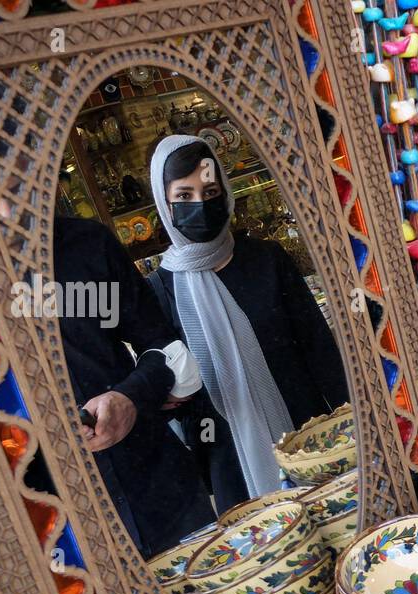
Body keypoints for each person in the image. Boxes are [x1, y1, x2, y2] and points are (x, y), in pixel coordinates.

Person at [146, 135, 350, 515]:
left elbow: (319, 351)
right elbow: (171, 396)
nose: (200, 205)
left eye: (209, 191)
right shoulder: (159, 293)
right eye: (184, 196)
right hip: (232, 465)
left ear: (225, 191)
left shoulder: (268, 261)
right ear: (164, 202)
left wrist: (349, 426)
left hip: (310, 441)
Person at [52, 215, 217, 556]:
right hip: (70, 537)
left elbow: (162, 347)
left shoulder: (86, 242)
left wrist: (130, 396)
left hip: (162, 490)